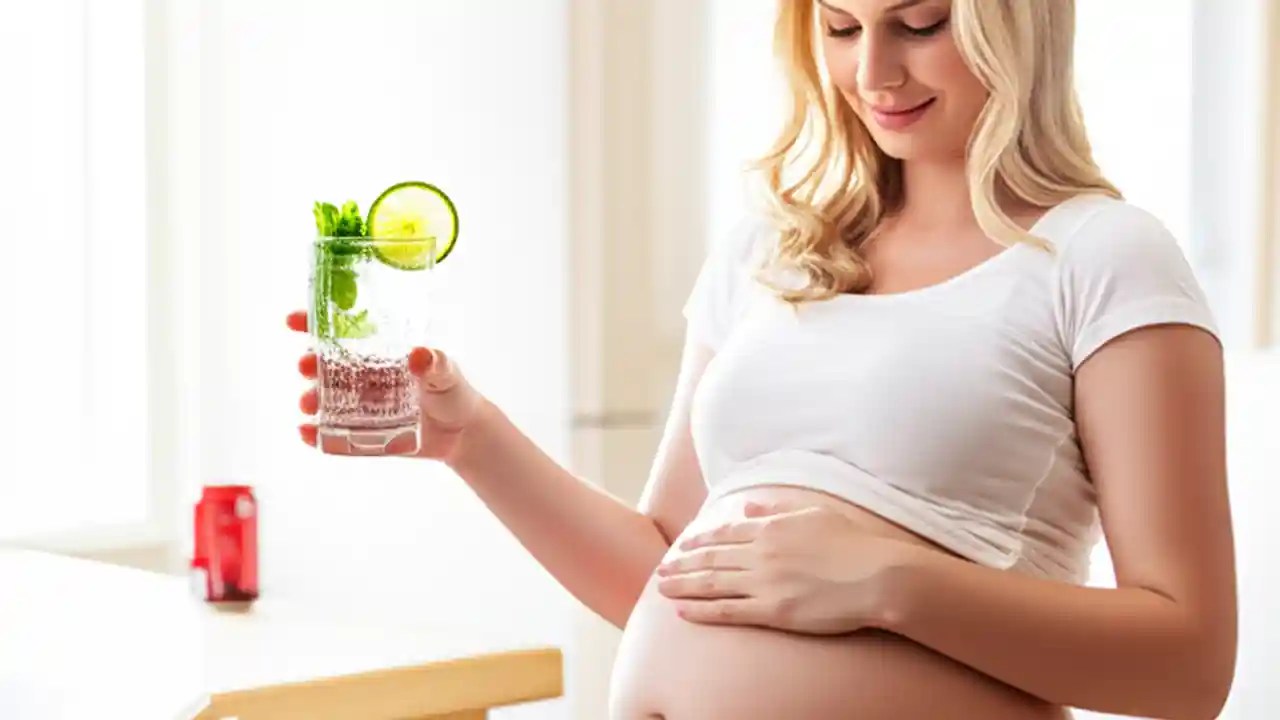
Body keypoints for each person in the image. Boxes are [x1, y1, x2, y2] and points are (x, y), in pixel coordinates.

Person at [288, 0, 1238, 717]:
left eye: (920, 23)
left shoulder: (1102, 256)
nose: (874, 72)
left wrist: (888, 583)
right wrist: (474, 441)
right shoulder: (770, 252)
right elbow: (664, 574)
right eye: (838, 26)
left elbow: (1191, 663)